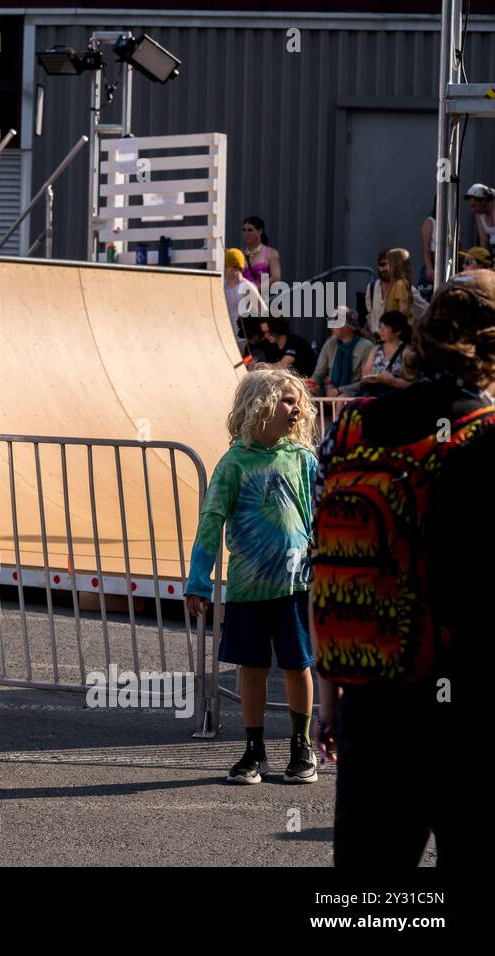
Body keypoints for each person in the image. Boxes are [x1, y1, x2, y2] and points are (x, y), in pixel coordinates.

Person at [312, 271, 495, 866]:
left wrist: (330, 696)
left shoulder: (354, 426)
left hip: (374, 694)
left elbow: (331, 555)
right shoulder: (483, 435)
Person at [185, 369, 320, 785]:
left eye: (299, 402)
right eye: (286, 400)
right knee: (253, 668)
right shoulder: (234, 463)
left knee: (298, 666)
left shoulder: (303, 460)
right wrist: (198, 580)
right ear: (259, 406)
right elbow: (212, 520)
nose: (296, 408)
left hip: (296, 586)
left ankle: (301, 745)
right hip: (247, 586)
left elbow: (322, 517)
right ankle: (254, 748)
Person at [311, 308, 374, 397]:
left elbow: (365, 381)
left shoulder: (366, 346)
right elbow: (318, 373)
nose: (331, 328)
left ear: (346, 327)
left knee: (342, 399)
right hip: (328, 389)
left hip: (353, 393)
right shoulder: (330, 343)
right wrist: (311, 385)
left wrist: (339, 390)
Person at [355, 309, 412, 397]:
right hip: (374, 397)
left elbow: (411, 383)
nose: (381, 331)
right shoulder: (376, 349)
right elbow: (365, 374)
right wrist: (378, 375)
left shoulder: (406, 352)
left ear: (398, 331)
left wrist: (392, 381)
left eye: (385, 327)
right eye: (380, 327)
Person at [223, 247, 266, 357]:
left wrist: (258, 336)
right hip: (225, 340)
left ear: (237, 267)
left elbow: (264, 312)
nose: (223, 269)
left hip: (243, 341)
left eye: (226, 266)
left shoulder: (247, 287)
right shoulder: (221, 286)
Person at [241, 216, 281, 290]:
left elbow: (276, 278)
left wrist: (256, 290)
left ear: (260, 231)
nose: (246, 233)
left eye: (250, 230)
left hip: (263, 299)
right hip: (242, 298)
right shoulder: (240, 254)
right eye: (244, 230)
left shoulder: (271, 253)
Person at [364, 249, 391, 338]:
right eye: (382, 264)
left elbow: (424, 311)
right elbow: (370, 317)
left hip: (397, 344)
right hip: (376, 342)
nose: (386, 268)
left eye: (390, 264)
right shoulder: (371, 287)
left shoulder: (406, 288)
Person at [382, 248, 414, 317]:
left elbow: (403, 310)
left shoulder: (400, 284)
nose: (386, 267)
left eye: (388, 263)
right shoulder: (396, 283)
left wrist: (392, 324)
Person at [464, 182, 495, 251]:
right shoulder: (479, 214)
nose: (472, 210)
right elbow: (483, 241)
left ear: (483, 200)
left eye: (474, 206)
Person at [419, 203, 436, 298]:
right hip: (433, 261)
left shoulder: (454, 220)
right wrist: (429, 267)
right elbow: (426, 248)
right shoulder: (430, 222)